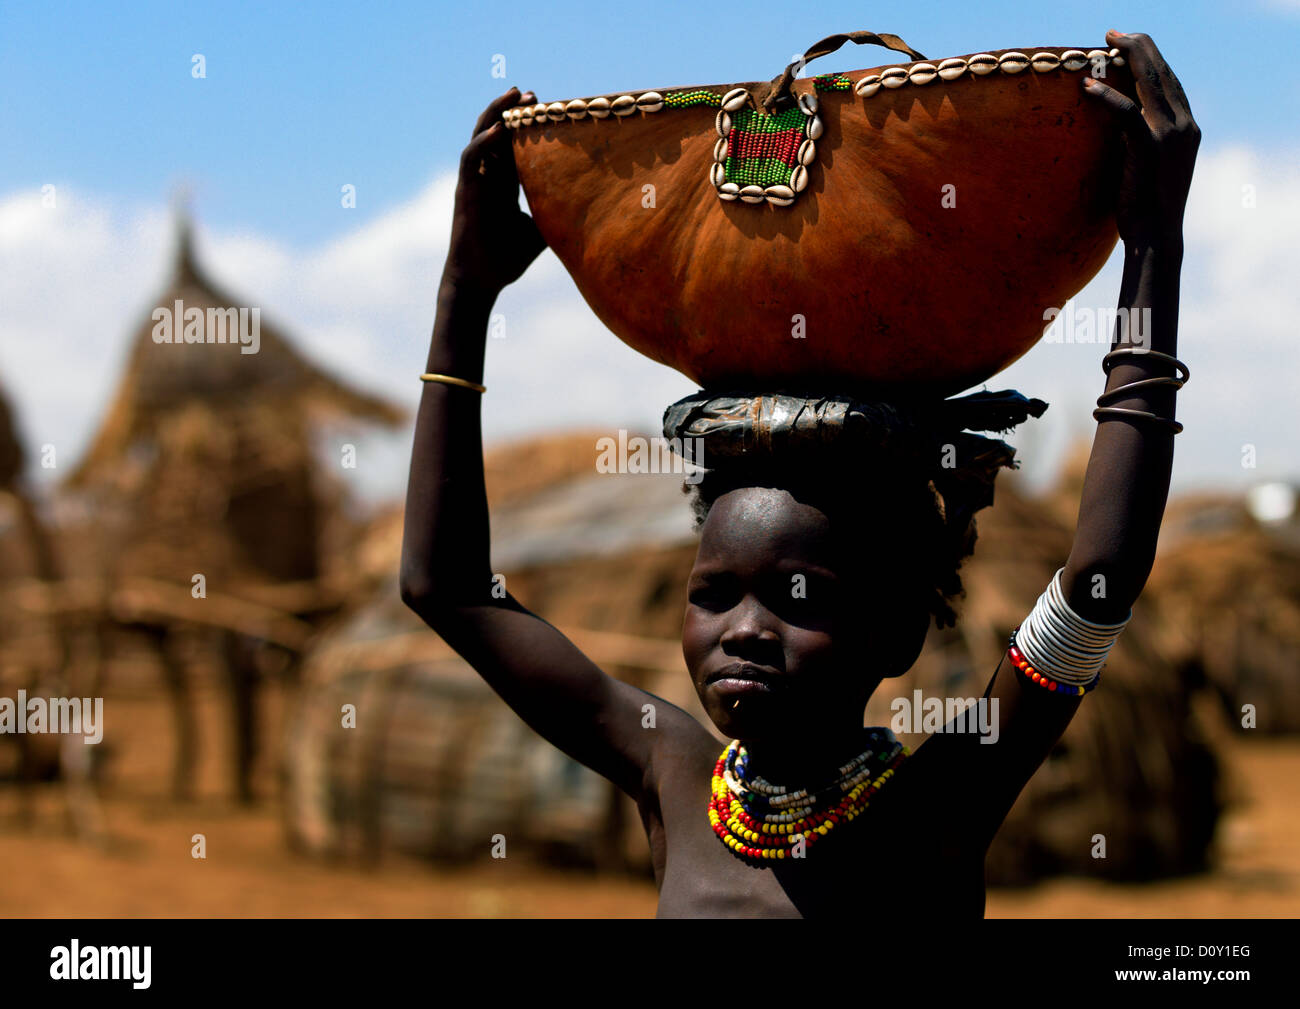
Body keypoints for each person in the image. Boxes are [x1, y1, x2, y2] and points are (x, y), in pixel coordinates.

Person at [400, 30, 1199, 917]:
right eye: (714, 594)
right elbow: (447, 589)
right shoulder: (671, 774)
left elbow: (1099, 582)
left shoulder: (936, 808)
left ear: (895, 630)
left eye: (800, 596)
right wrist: (463, 295)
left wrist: (1152, 249)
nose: (743, 629)